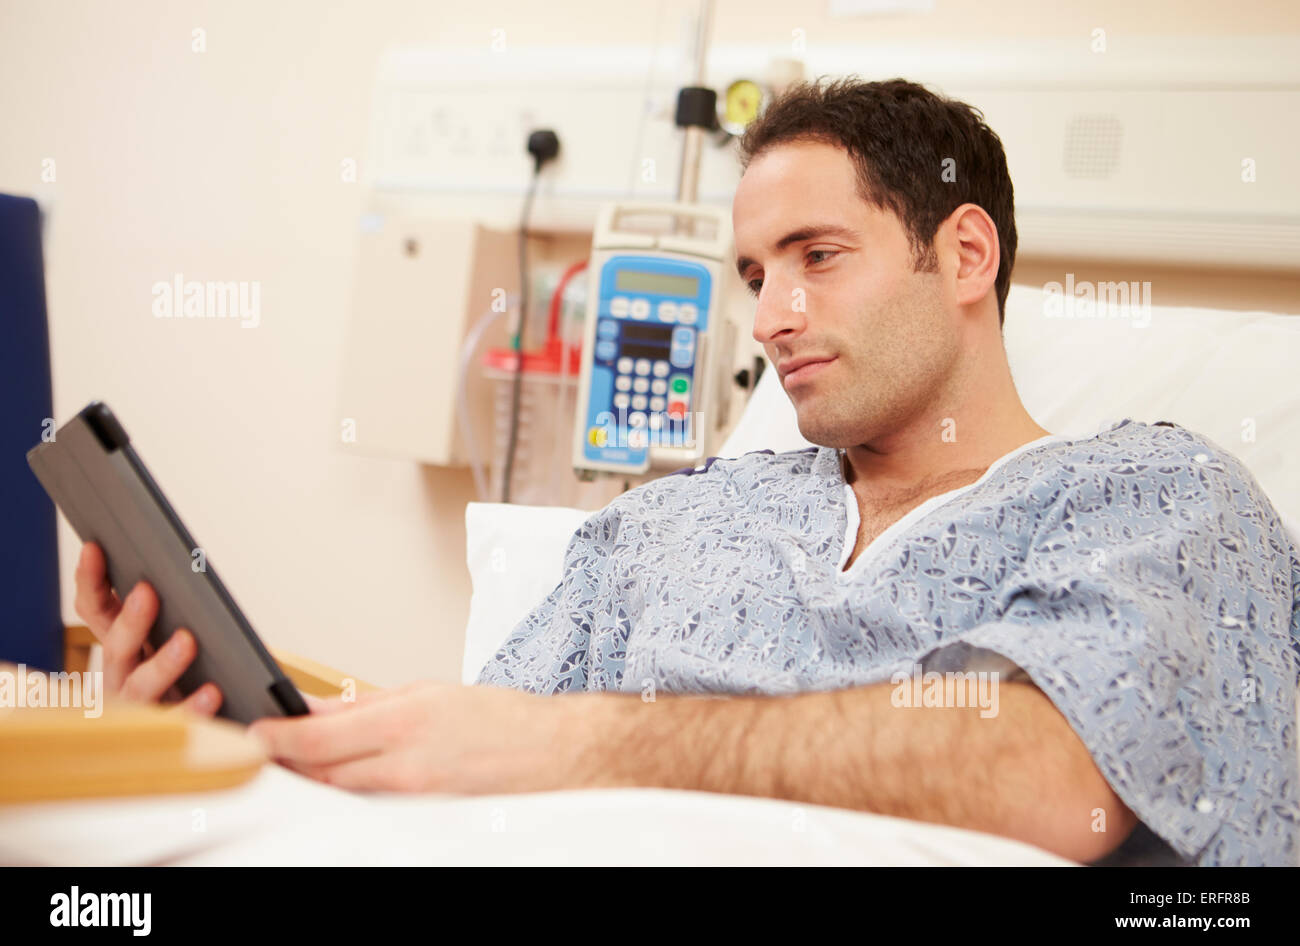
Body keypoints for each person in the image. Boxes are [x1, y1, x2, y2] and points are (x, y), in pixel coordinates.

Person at [74, 77, 1299, 866]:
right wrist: (215, 730)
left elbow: (1048, 780)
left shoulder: (1154, 500)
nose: (770, 315)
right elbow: (472, 751)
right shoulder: (668, 523)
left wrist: (587, 747)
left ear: (963, 252)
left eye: (817, 254)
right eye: (753, 274)